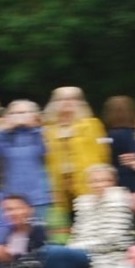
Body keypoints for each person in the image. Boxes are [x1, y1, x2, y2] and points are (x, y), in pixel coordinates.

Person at [31, 164, 135, 268]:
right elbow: (77, 235)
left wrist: (76, 248)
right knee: (49, 253)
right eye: (95, 181)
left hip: (107, 259)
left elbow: (113, 240)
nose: (100, 185)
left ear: (113, 182)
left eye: (105, 180)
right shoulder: (84, 204)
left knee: (54, 252)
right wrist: (74, 248)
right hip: (85, 256)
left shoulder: (119, 202)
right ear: (89, 184)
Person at [41, 86, 110, 218]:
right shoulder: (47, 129)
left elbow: (104, 153)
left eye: (73, 99)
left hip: (88, 183)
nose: (67, 102)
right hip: (58, 185)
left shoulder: (93, 124)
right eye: (62, 99)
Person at [0, 100, 51, 210]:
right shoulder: (5, 134)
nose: (19, 116)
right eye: (14, 113)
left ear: (35, 115)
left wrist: (35, 129)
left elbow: (46, 151)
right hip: (13, 196)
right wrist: (2, 131)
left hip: (40, 195)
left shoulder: (42, 132)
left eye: (24, 112)